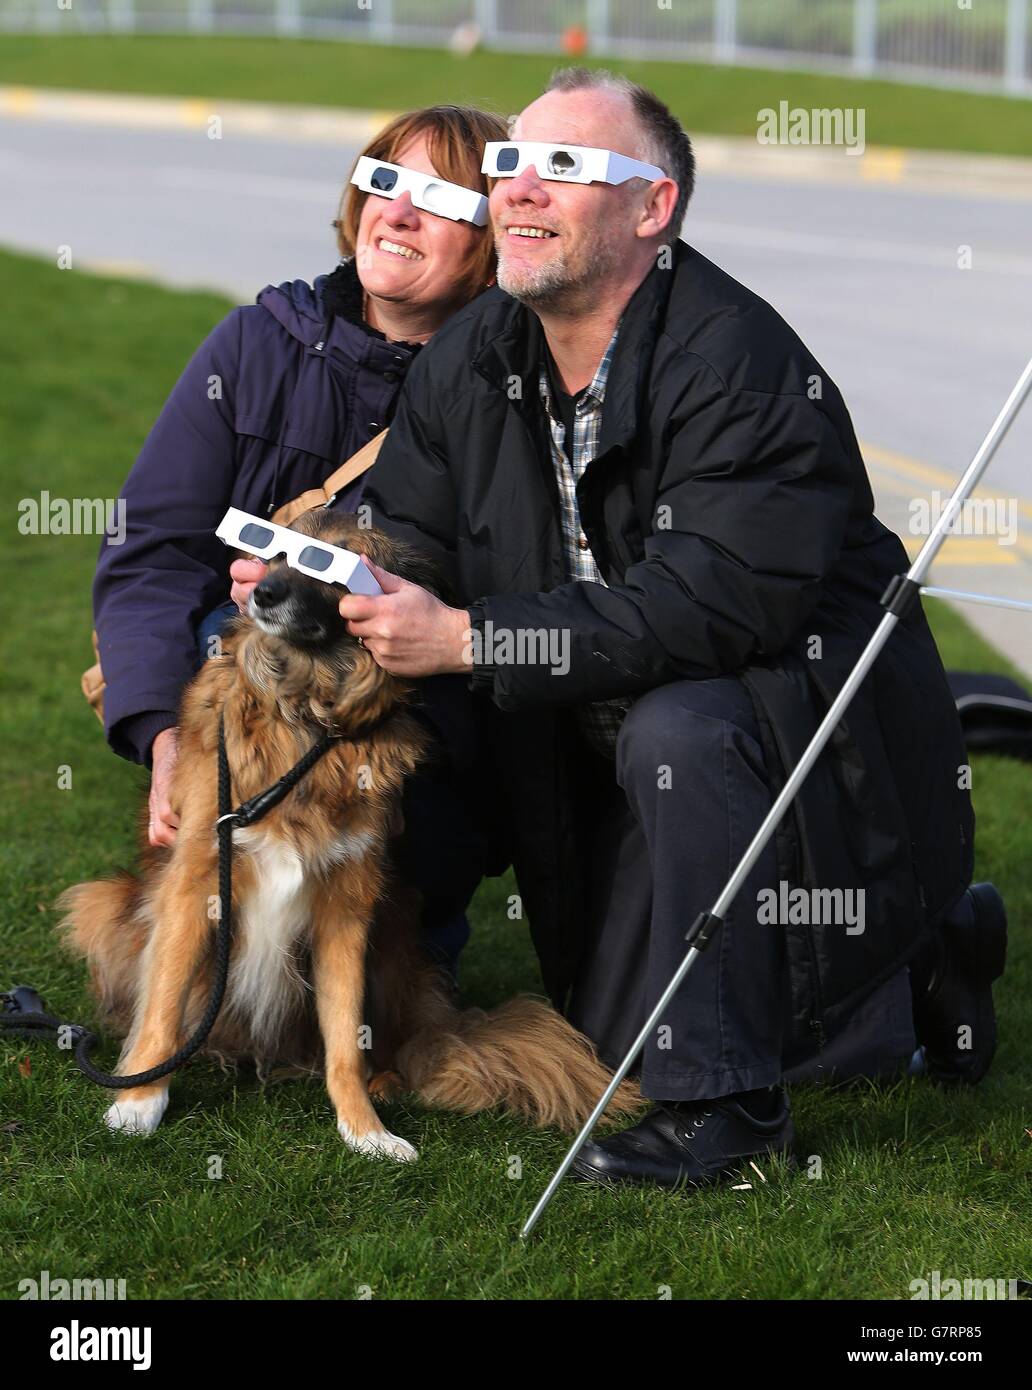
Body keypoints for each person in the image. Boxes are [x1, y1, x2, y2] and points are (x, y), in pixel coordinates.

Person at [232, 67, 1005, 1191]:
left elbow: (712, 608)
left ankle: (732, 1118)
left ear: (653, 209)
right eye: (511, 166)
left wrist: (472, 641)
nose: (520, 193)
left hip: (785, 742)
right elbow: (420, 536)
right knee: (610, 1036)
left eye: (566, 168)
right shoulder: (476, 354)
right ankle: (926, 959)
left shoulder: (741, 368)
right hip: (574, 739)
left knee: (677, 737)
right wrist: (331, 578)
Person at [92, 103, 508, 971]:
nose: (398, 212)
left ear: (495, 240)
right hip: (242, 697)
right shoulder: (253, 345)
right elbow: (152, 554)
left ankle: (394, 937)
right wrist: (166, 739)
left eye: (441, 198)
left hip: (412, 717)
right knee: (223, 635)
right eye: (386, 181)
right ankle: (228, 935)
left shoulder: (505, 394)